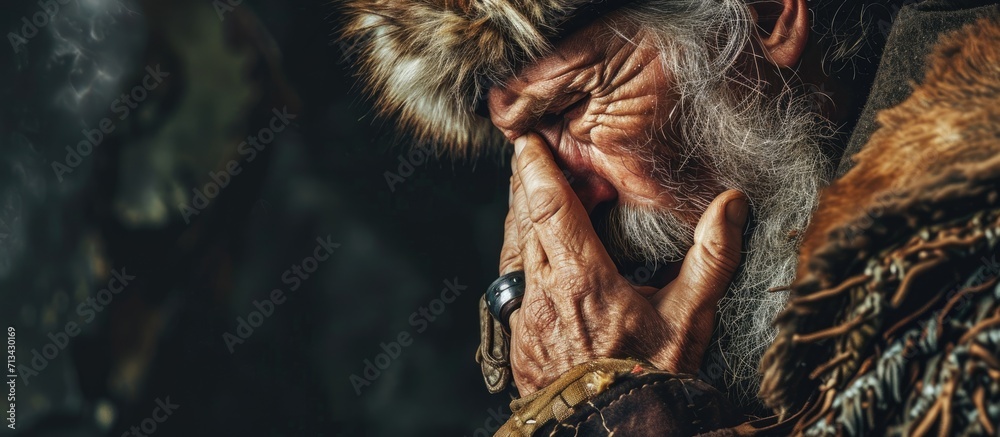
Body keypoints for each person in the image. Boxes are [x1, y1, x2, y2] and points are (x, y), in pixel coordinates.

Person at [342, 0, 1000, 434]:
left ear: (766, 15)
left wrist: (602, 398)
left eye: (571, 108)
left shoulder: (963, 249)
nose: (554, 193)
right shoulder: (678, 298)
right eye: (524, 145)